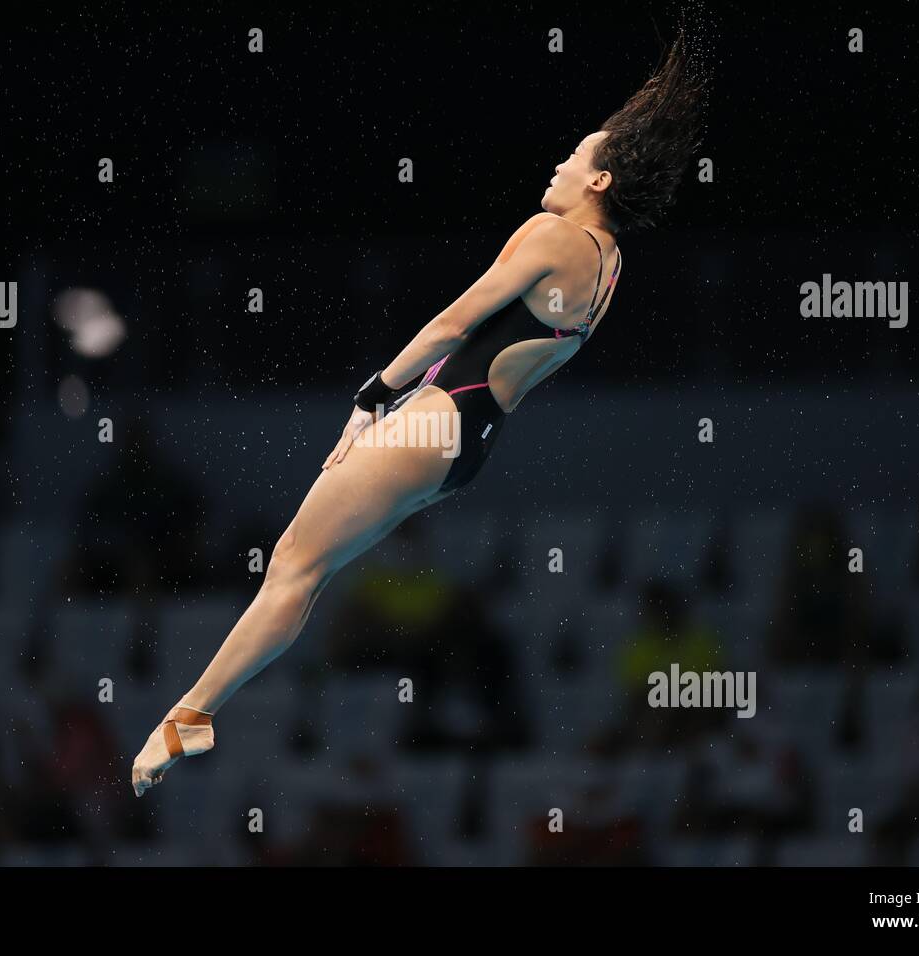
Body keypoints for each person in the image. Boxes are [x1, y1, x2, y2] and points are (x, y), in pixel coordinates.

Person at [133, 36, 706, 795]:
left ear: (599, 177)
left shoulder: (554, 235)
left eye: (573, 156)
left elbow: (449, 324)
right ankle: (194, 716)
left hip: (436, 418)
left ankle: (189, 717)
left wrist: (372, 398)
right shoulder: (610, 267)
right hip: (468, 446)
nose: (558, 164)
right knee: (304, 571)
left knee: (294, 568)